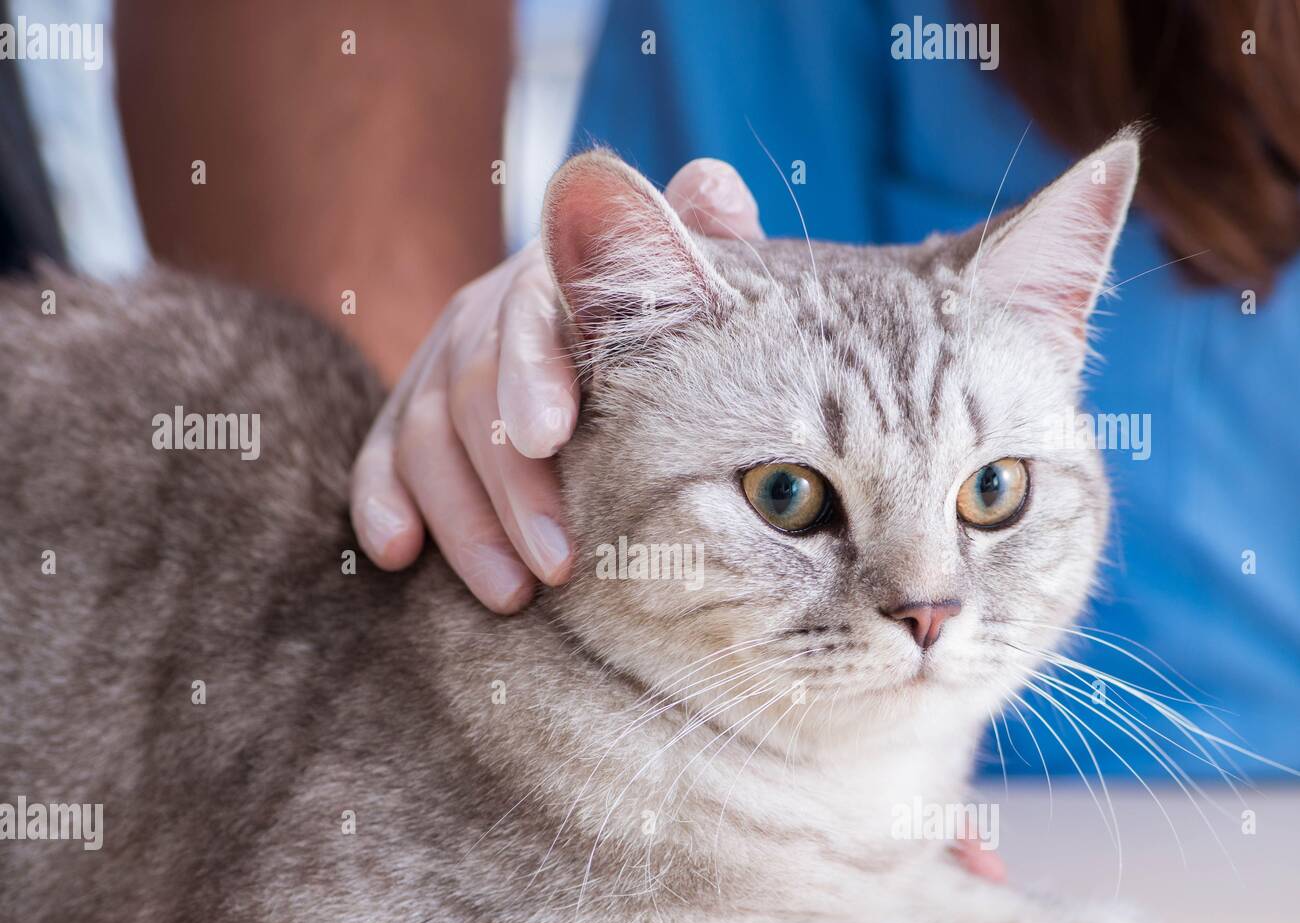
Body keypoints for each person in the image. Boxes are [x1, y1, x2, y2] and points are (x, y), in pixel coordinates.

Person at [119, 1, 1299, 777]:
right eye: (793, 495)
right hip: (714, 776)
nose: (924, 601)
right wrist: (436, 397)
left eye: (990, 492)